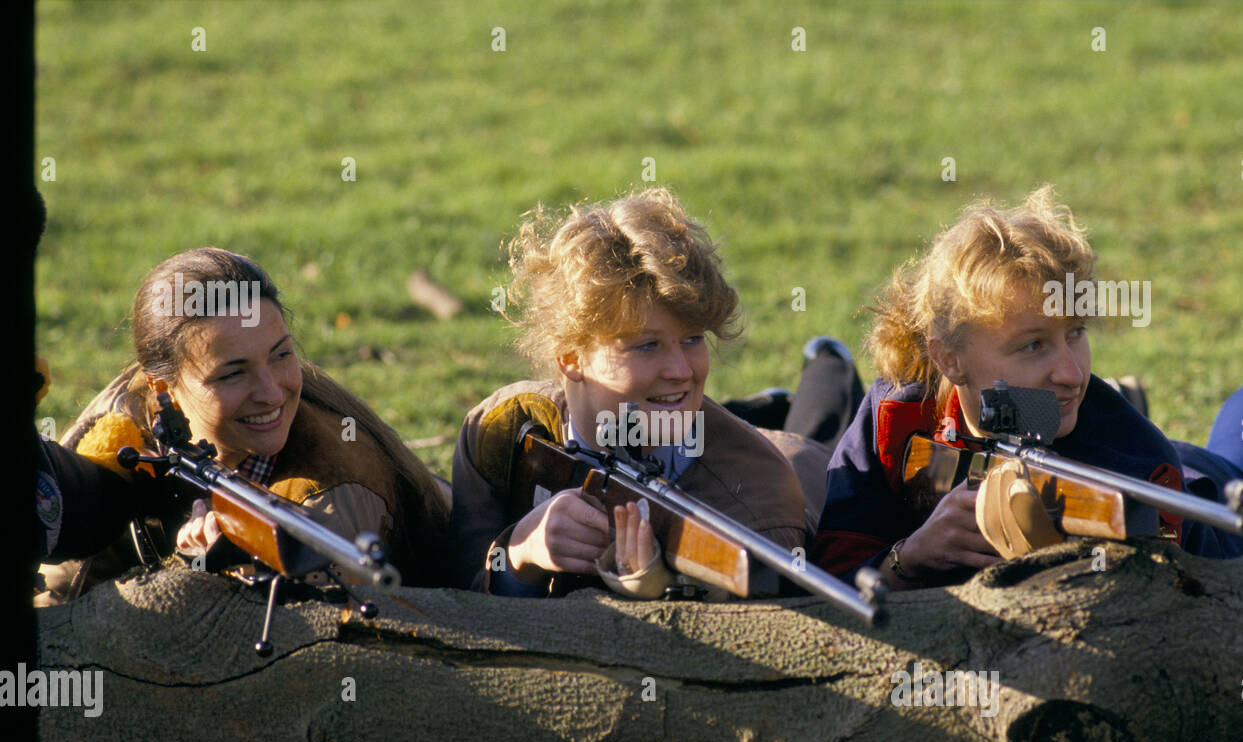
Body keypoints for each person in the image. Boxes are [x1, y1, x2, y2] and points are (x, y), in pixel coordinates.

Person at [813, 185, 1243, 590]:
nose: (1071, 373)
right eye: (1033, 346)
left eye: (1076, 333)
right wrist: (909, 558)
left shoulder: (1137, 469)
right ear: (947, 358)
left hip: (1207, 513)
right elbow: (832, 572)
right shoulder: (896, 413)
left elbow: (1163, 616)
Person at [450, 187, 814, 599]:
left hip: (805, 467)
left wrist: (654, 589)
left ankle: (823, 366)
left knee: (816, 436)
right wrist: (521, 553)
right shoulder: (503, 431)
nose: (682, 371)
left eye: (693, 339)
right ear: (571, 357)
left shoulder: (757, 500)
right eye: (646, 345)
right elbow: (456, 599)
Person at [39, 247, 450, 602]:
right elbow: (61, 603)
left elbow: (303, 661)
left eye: (281, 355)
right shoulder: (119, 425)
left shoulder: (333, 495)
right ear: (161, 386)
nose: (271, 392)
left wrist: (213, 574)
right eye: (233, 374)